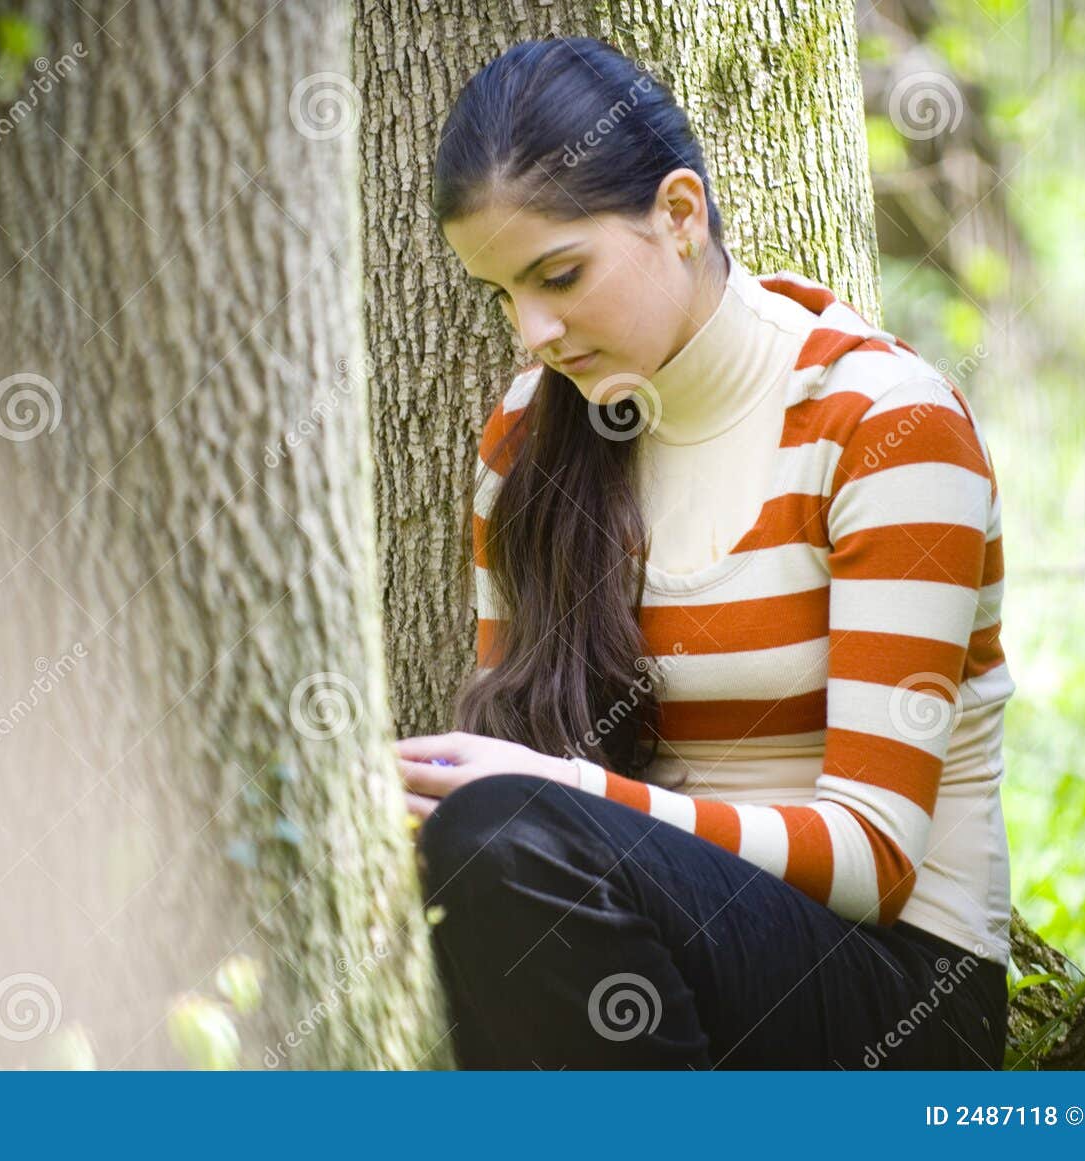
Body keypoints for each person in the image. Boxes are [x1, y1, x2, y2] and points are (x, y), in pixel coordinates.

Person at [395, 35, 1015, 1070]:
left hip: (897, 1001)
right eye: (500, 294)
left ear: (680, 215)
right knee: (467, 853)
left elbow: (870, 860)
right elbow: (528, 763)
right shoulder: (525, 442)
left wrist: (557, 798)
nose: (532, 330)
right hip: (637, 967)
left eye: (558, 274)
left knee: (505, 837)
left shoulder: (882, 426)